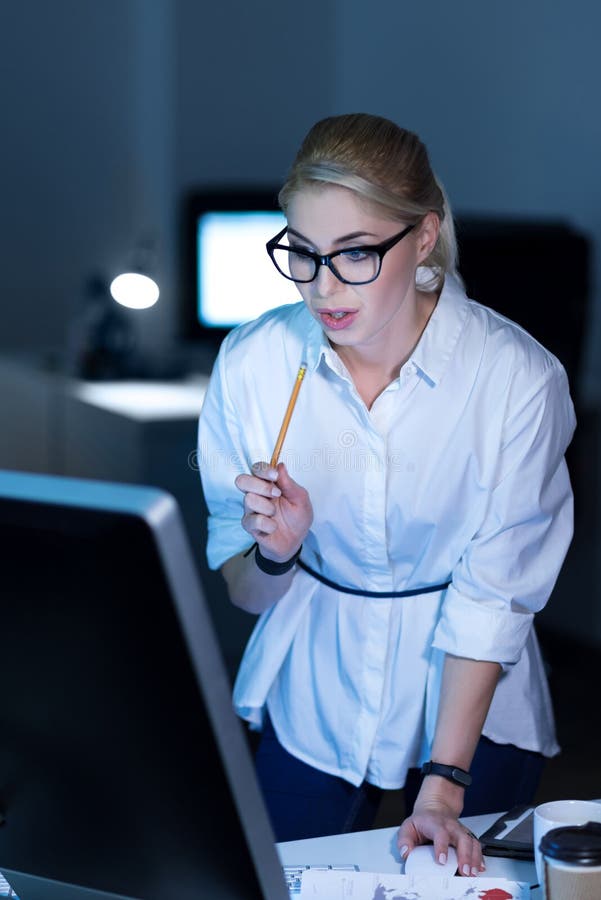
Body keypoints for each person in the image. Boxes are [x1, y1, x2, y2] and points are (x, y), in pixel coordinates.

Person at [197, 113, 575, 875]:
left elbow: (491, 596)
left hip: (470, 695)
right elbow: (242, 591)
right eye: (300, 255)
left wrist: (443, 784)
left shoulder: (514, 380)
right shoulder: (254, 362)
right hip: (315, 685)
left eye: (355, 254)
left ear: (424, 238)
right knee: (277, 882)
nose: (322, 287)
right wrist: (275, 554)